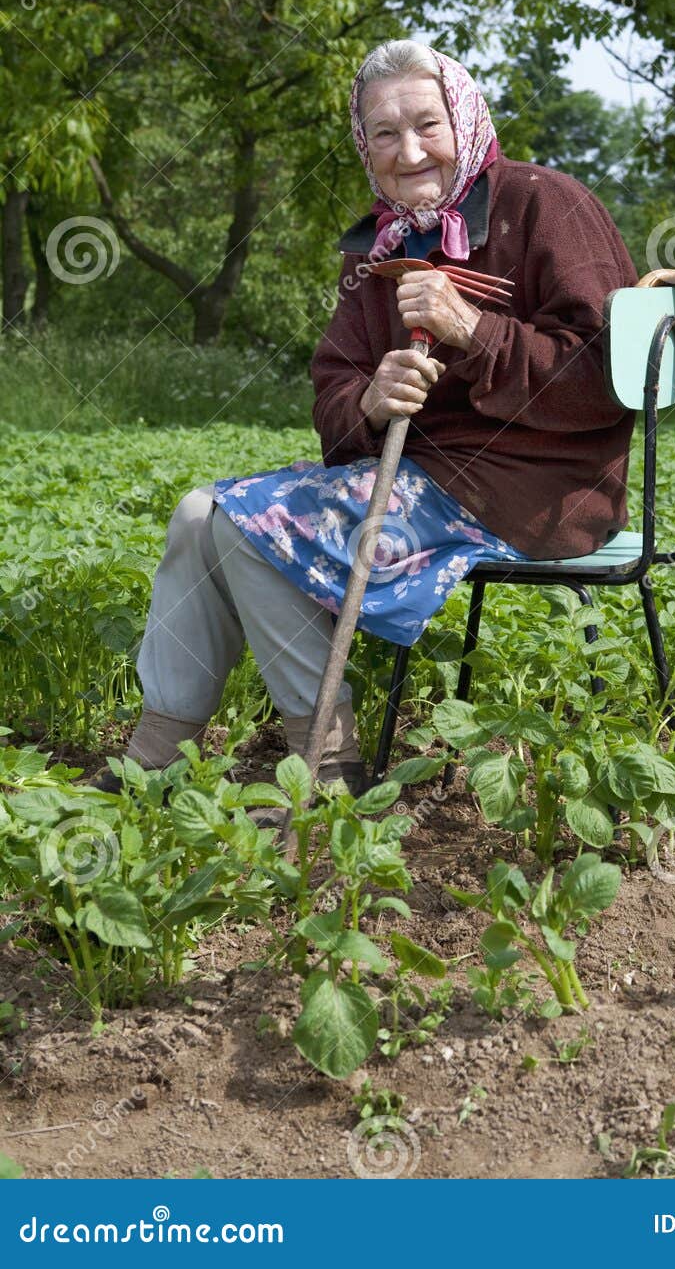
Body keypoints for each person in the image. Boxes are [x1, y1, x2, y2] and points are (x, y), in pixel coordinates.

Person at [89, 40, 638, 792]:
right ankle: (154, 755)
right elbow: (333, 384)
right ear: (363, 144)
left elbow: (608, 380)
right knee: (195, 514)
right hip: (423, 474)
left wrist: (472, 329)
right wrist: (371, 402)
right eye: (384, 133)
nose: (407, 151)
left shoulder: (545, 204)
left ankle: (325, 764)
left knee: (247, 526)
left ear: (467, 118)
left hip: (533, 487)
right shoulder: (379, 245)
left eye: (427, 124)